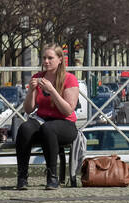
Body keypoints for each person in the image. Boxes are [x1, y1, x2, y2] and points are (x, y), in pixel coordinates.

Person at [15, 44, 80, 190]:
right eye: (44, 58)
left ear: (60, 60)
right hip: (42, 120)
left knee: (48, 129)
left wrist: (52, 90)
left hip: (65, 124)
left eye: (50, 58)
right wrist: (31, 91)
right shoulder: (38, 77)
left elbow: (67, 110)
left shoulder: (69, 79)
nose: (46, 61)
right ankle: (22, 177)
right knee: (25, 128)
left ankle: (52, 177)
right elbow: (28, 109)